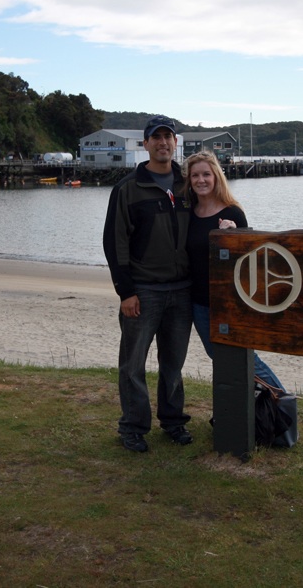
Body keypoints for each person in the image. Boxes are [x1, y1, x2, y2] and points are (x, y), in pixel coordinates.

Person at [102, 116, 194, 453]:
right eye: (156, 137)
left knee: (173, 364)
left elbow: (212, 215)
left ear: (175, 143)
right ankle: (133, 427)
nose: (163, 143)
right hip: (144, 291)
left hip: (182, 291)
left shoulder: (188, 185)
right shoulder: (128, 188)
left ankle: (173, 422)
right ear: (146, 144)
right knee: (133, 365)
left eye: (168, 137)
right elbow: (114, 242)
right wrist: (126, 292)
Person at [182, 151, 286, 391]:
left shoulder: (232, 213)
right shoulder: (188, 213)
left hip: (229, 302)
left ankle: (281, 400)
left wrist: (234, 233)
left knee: (242, 356)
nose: (201, 180)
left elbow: (248, 260)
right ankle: (248, 402)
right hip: (199, 302)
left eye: (206, 174)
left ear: (216, 177)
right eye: (195, 175)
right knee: (216, 354)